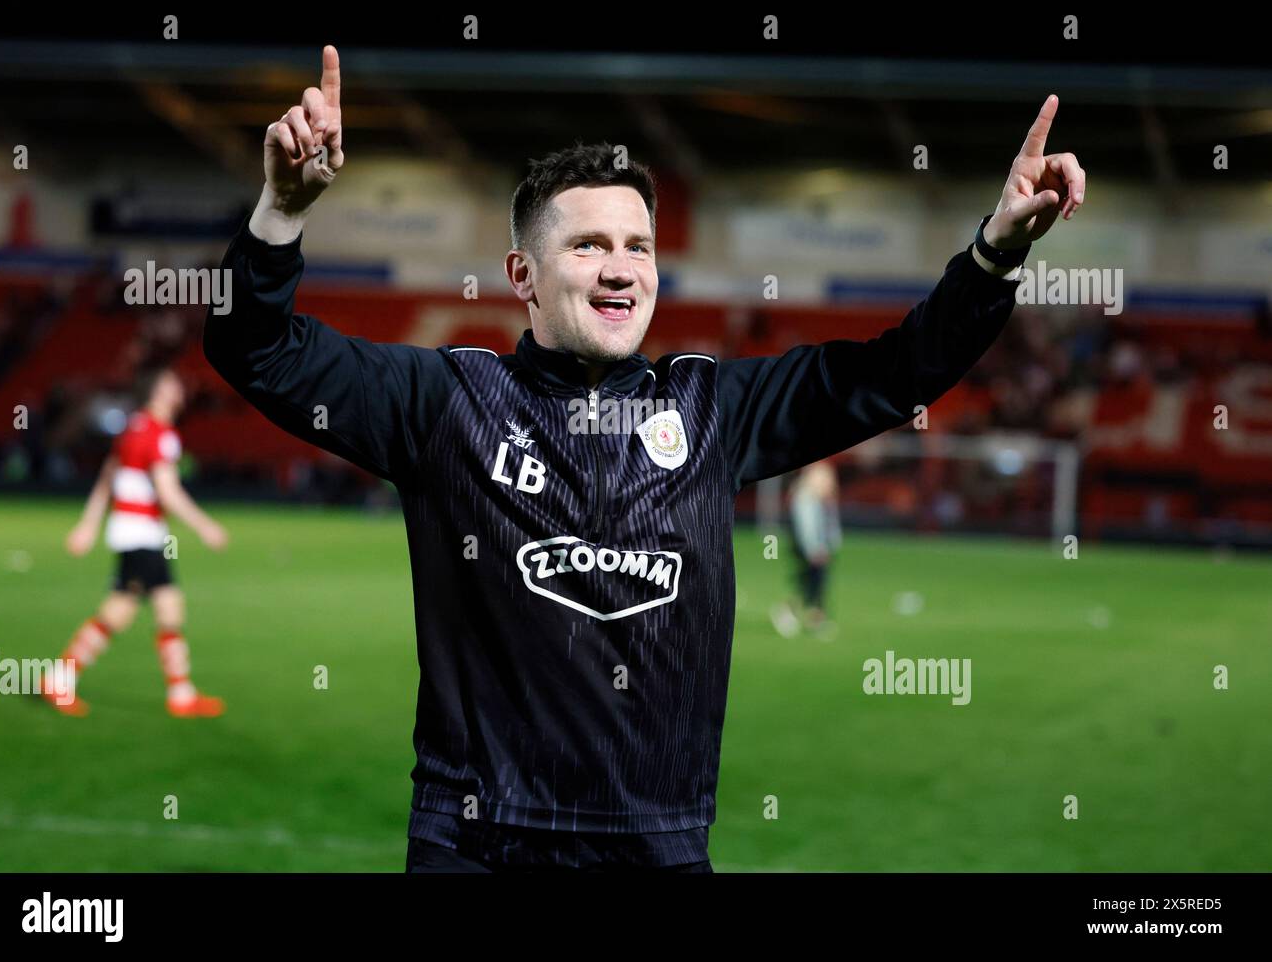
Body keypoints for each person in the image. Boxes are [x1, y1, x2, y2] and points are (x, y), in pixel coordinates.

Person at [204, 46, 1085, 871]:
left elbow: (901, 373)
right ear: (523, 275)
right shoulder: (444, 402)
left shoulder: (712, 411)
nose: (620, 268)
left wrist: (998, 250)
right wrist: (281, 210)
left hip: (657, 846)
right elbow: (256, 350)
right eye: (588, 245)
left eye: (638, 246)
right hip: (476, 841)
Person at [43, 368, 229, 718]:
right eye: (172, 384)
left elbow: (108, 476)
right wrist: (205, 526)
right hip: (142, 532)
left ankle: (179, 693)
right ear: (157, 391)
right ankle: (177, 694)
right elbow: (168, 492)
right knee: (149, 608)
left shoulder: (133, 427)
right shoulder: (161, 434)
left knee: (137, 608)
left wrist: (88, 524)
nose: (179, 390)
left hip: (129, 531)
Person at [772, 460, 842, 640]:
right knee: (811, 582)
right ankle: (802, 615)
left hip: (817, 547)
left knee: (812, 582)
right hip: (810, 548)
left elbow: (830, 525)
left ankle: (813, 617)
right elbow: (806, 527)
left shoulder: (821, 499)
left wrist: (830, 544)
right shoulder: (805, 497)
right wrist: (814, 549)